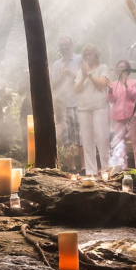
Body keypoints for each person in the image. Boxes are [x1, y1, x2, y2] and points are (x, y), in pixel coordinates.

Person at [74, 43, 110, 175]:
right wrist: (83, 76)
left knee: (102, 138)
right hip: (83, 108)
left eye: (90, 54)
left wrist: (89, 74)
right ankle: (91, 172)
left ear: (96, 55)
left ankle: (106, 169)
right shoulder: (80, 72)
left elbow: (101, 84)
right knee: (87, 140)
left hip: (99, 106)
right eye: (86, 55)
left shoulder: (103, 68)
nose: (88, 57)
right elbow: (76, 89)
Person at [51, 36, 84, 172]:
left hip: (78, 102)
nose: (64, 47)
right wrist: (62, 76)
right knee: (66, 137)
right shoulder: (56, 64)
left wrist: (69, 73)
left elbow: (84, 78)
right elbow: (53, 84)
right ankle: (72, 167)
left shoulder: (79, 59)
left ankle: (84, 166)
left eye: (66, 45)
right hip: (62, 104)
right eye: (61, 45)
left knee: (80, 136)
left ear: (71, 45)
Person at [107, 60, 136, 170]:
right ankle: (123, 167)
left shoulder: (134, 82)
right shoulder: (114, 84)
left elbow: (135, 96)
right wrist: (109, 90)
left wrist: (127, 85)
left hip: (132, 116)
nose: (121, 69)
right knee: (120, 143)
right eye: (119, 67)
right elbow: (111, 99)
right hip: (118, 117)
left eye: (123, 67)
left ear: (128, 70)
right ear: (117, 71)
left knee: (135, 141)